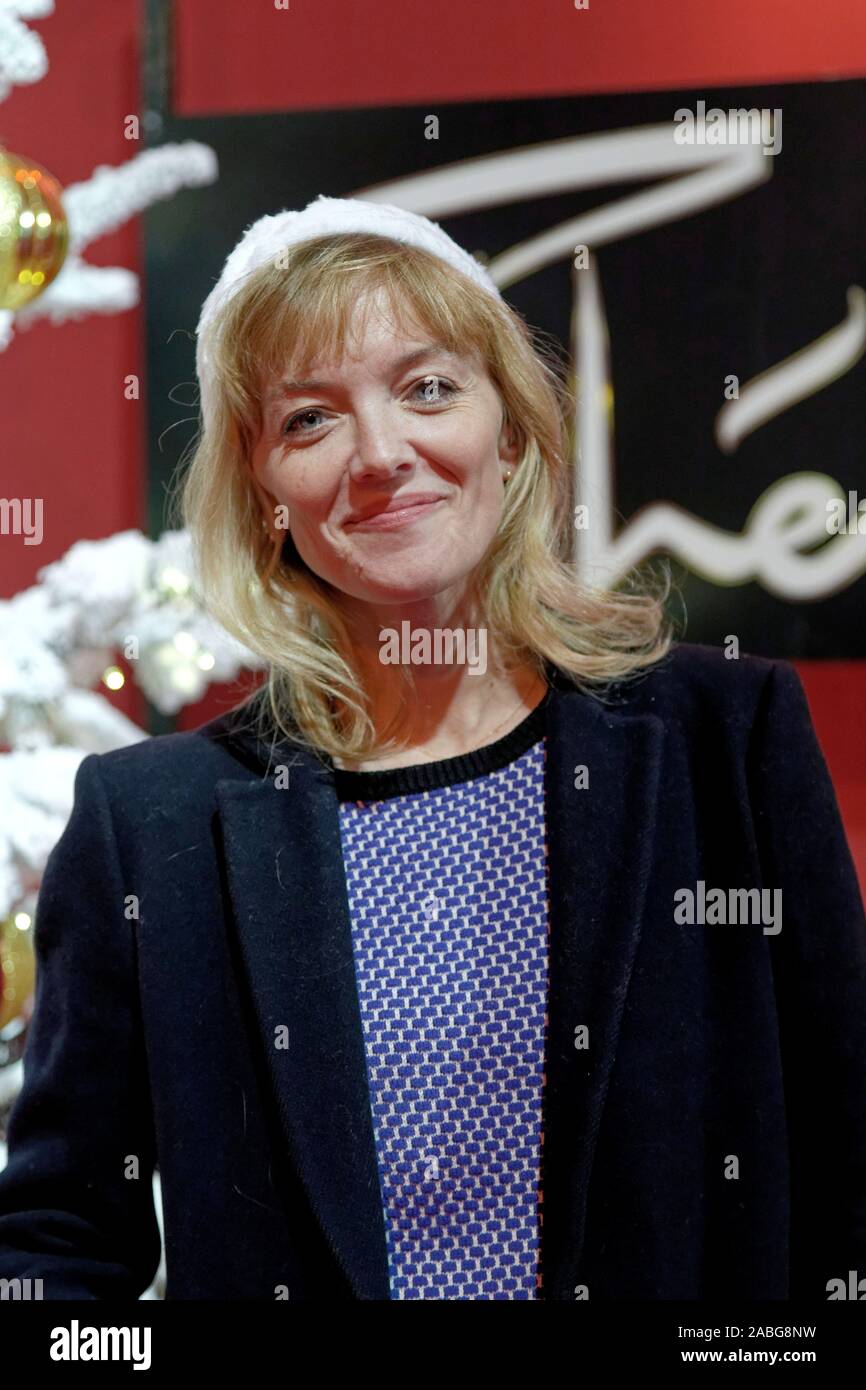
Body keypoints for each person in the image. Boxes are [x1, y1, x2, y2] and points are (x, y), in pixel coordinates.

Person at [0, 195, 864, 1301]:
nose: (380, 454)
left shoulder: (722, 742)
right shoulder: (151, 823)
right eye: (308, 420)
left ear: (510, 431)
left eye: (427, 390)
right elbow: (56, 1245)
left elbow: (845, 1169)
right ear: (262, 493)